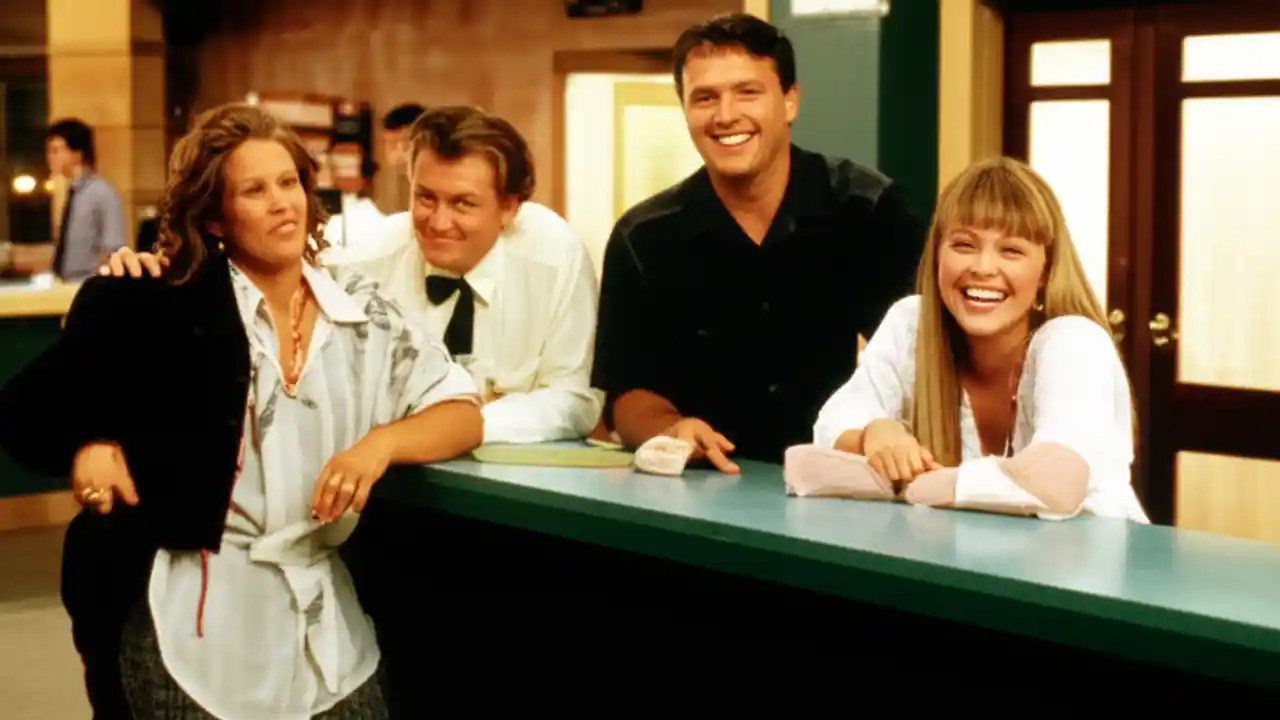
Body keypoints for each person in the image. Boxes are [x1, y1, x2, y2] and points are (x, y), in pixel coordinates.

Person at [0, 103, 483, 718]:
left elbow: (462, 412)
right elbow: (21, 414)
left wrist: (381, 444)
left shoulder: (363, 308)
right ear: (215, 217)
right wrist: (87, 444)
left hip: (327, 623)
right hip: (195, 621)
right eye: (254, 190)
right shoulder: (157, 300)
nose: (282, 202)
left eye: (289, 183)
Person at [106, 104, 603, 446]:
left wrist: (455, 423)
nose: (438, 220)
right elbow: (268, 273)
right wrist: (132, 292)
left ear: (511, 207)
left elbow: (576, 402)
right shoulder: (367, 257)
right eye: (425, 197)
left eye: (464, 204)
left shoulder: (555, 256)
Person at [592, 12, 927, 473]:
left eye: (748, 92)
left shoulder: (867, 209)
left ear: (790, 101)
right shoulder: (644, 237)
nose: (726, 115)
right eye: (705, 98)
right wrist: (670, 429)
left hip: (843, 481)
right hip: (700, 489)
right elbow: (626, 395)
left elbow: (926, 361)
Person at [802, 156, 1149, 523]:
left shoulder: (1074, 342)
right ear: (937, 253)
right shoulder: (911, 323)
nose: (983, 268)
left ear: (1045, 271)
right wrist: (874, 435)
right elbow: (814, 456)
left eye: (1011, 250)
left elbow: (1055, 483)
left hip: (1090, 576)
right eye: (964, 245)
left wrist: (920, 486)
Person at [46, 118, 126, 281]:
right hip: (64, 283)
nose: (50, 157)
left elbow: (113, 246)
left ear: (77, 153)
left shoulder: (102, 193)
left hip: (88, 282)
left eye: (56, 151)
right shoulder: (69, 192)